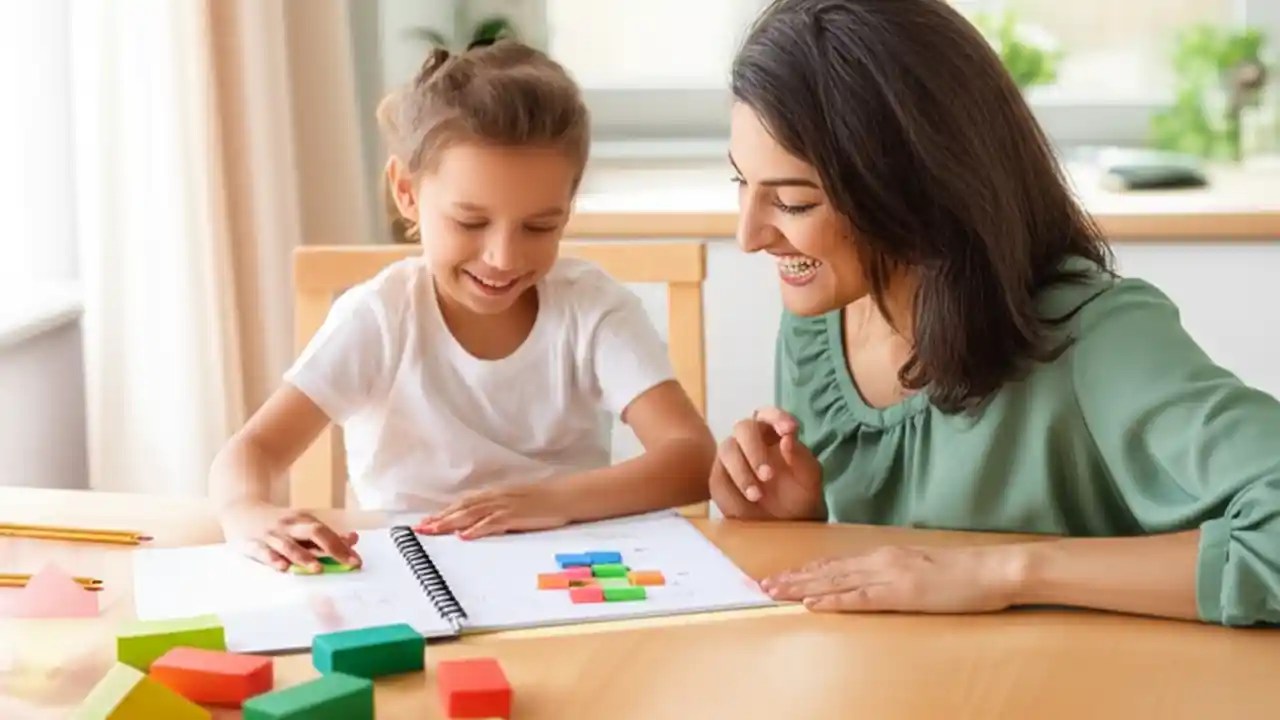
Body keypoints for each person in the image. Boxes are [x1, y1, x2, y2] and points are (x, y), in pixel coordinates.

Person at [710, 0, 1280, 627]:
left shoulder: (1094, 335)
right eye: (741, 182)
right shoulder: (821, 324)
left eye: (792, 202)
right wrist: (801, 522)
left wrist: (1002, 571)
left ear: (912, 188)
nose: (749, 235)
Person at [210, 40, 714, 573]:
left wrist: (552, 501)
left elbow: (691, 456)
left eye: (540, 226)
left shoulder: (592, 310)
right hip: (411, 569)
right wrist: (246, 510)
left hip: (567, 565)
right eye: (470, 223)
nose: (503, 257)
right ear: (406, 191)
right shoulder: (381, 317)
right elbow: (254, 449)